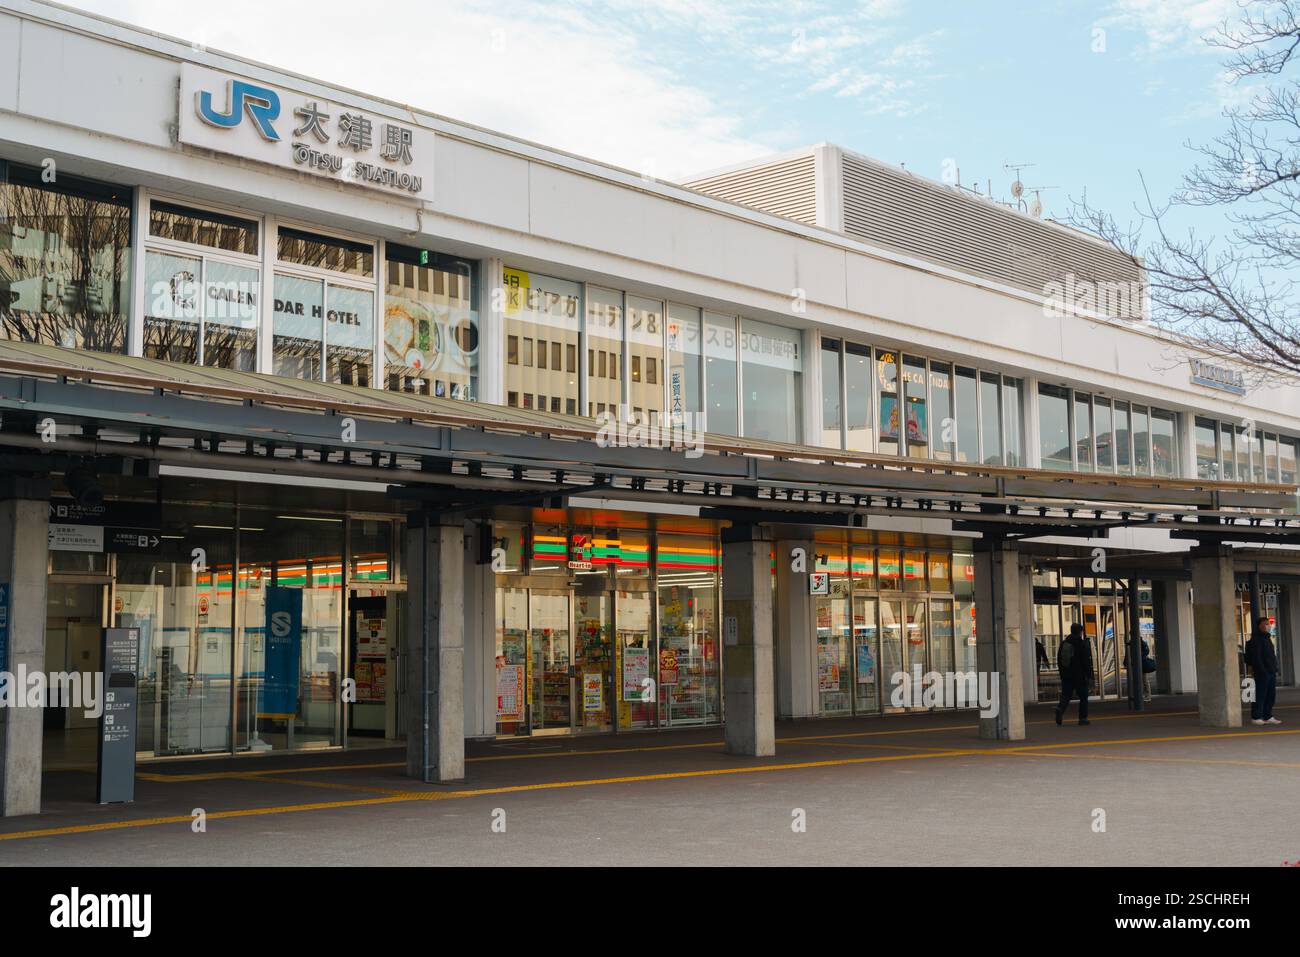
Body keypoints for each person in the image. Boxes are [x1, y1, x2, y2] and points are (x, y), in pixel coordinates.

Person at [1245, 616, 1281, 726]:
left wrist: (1274, 668)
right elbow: (1257, 657)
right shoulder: (1256, 639)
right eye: (1265, 624)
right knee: (1260, 695)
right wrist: (1262, 670)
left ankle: (1267, 715)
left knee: (1270, 694)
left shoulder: (1267, 638)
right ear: (1259, 626)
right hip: (1262, 672)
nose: (1268, 626)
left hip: (1271, 671)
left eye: (1268, 624)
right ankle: (1256, 717)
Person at [1055, 623, 1093, 726]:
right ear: (1080, 632)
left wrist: (1062, 673)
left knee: (1066, 695)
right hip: (1079, 676)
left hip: (1066, 675)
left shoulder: (1064, 643)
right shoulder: (1081, 644)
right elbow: (1085, 661)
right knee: (1083, 697)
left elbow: (1059, 659)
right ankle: (1083, 718)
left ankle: (1060, 709)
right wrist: (1089, 675)